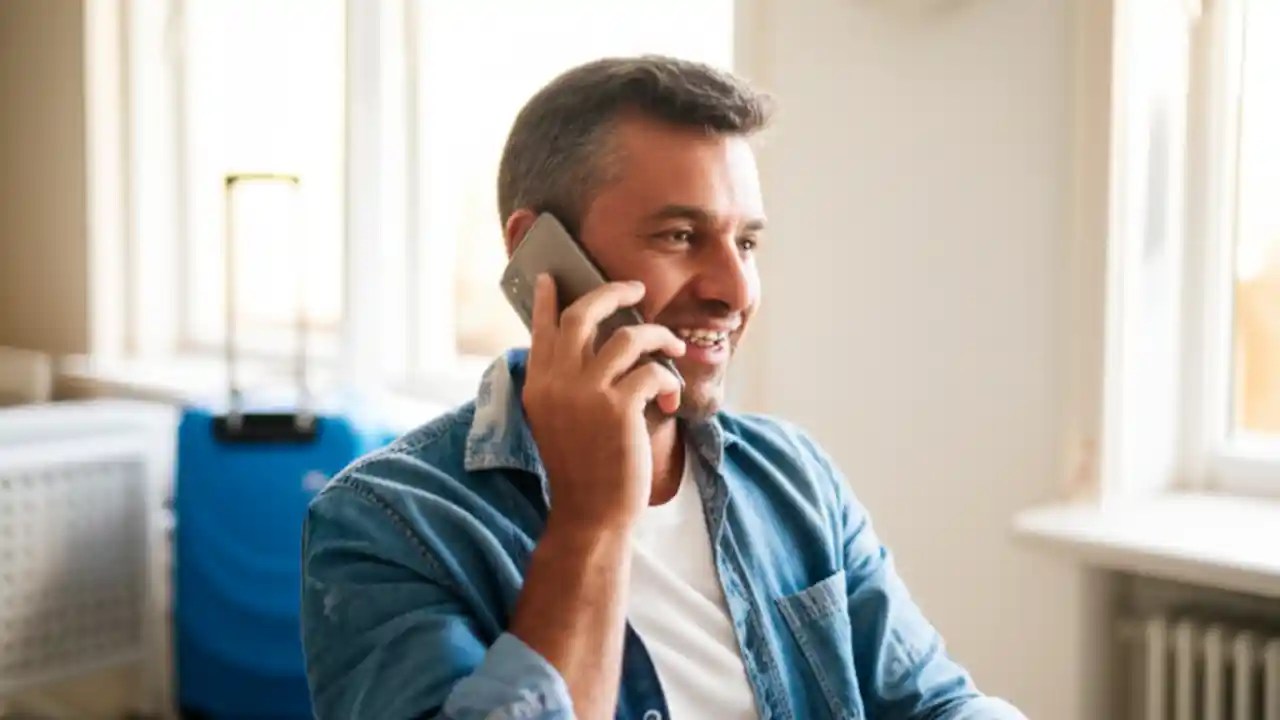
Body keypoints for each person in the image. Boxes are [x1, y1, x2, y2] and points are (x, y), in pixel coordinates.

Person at [300, 55, 1025, 720]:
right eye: (680, 236)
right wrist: (591, 521)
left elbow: (936, 705)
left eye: (746, 243)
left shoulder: (793, 478)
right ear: (537, 254)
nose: (735, 290)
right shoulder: (386, 523)